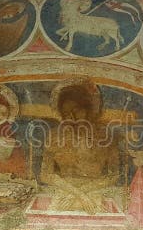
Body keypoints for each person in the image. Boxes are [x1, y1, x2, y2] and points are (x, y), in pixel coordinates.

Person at [38, 80, 122, 214]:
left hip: (95, 191)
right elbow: (45, 174)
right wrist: (77, 194)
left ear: (88, 108)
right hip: (63, 191)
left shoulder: (105, 135)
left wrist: (83, 193)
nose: (72, 117)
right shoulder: (54, 135)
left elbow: (114, 175)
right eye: (66, 113)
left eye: (76, 110)